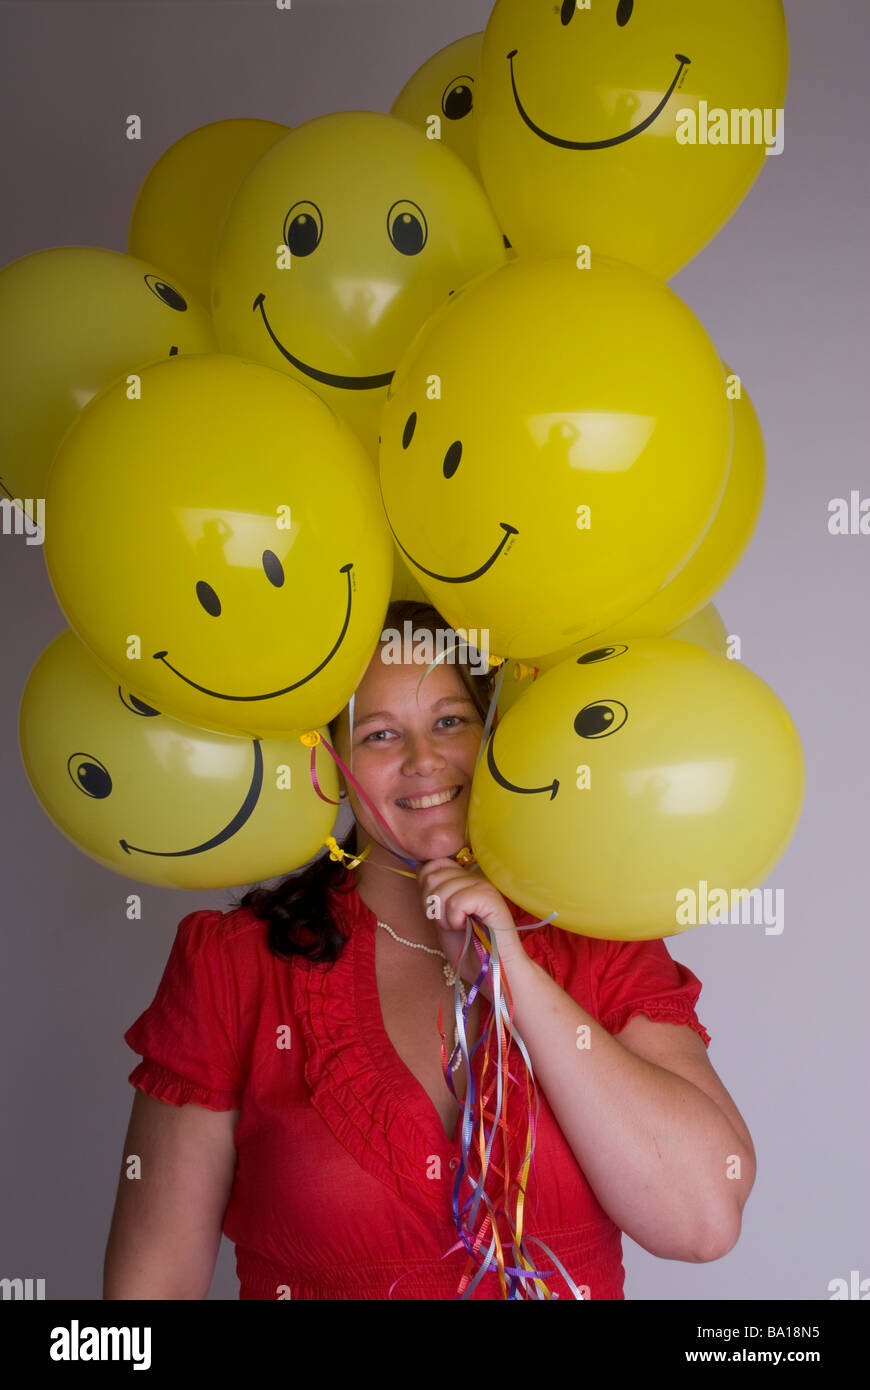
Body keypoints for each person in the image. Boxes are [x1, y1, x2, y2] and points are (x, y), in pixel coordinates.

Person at [103, 599, 756, 1300]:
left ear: (494, 730)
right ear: (328, 761)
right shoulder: (232, 967)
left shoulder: (595, 931)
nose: (424, 761)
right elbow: (149, 1295)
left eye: (450, 721)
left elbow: (702, 1221)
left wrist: (515, 979)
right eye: (380, 735)